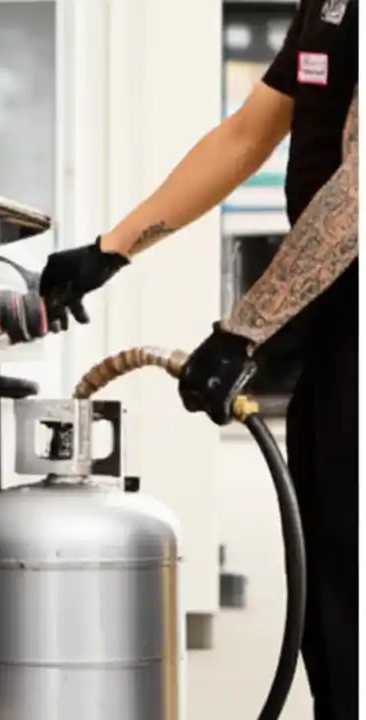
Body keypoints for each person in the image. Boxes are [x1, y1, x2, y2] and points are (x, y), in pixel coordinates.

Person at [36, 1, 358, 717]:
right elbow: (247, 134)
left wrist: (244, 331)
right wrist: (110, 248)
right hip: (337, 331)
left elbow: (360, 195)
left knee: (349, 586)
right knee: (333, 593)